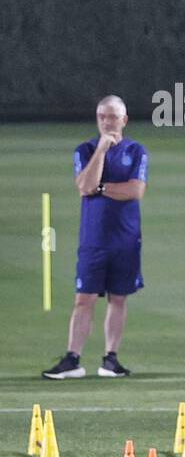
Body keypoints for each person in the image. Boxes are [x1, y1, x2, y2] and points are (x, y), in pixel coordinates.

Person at [43, 96, 147, 380]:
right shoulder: (85, 150)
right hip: (94, 240)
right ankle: (73, 358)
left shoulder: (136, 151)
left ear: (124, 120)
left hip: (126, 239)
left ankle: (111, 359)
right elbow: (84, 186)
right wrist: (101, 152)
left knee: (118, 299)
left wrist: (99, 188)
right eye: (102, 116)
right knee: (84, 299)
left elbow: (135, 191)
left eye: (112, 117)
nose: (106, 121)